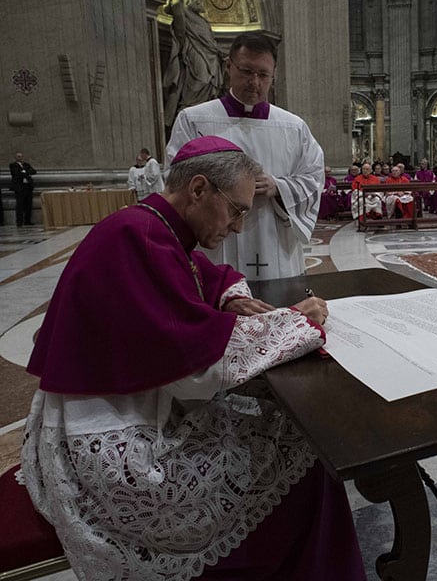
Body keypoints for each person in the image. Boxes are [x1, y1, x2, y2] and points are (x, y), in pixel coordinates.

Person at [21, 136, 365, 581]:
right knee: (302, 454)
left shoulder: (151, 226)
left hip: (123, 408)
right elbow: (195, 369)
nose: (239, 227)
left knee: (285, 434)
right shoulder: (140, 237)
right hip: (110, 441)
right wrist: (296, 321)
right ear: (199, 190)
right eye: (237, 210)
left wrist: (228, 296)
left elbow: (201, 275)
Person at [167, 32, 324, 281]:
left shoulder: (294, 127)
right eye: (246, 71)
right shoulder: (194, 119)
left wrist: (279, 187)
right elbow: (175, 182)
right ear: (228, 67)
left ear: (273, 75)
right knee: (222, 306)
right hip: (218, 247)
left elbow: (314, 179)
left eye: (263, 75)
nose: (255, 82)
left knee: (280, 312)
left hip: (274, 242)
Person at [162, 0, 225, 128]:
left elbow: (212, 43)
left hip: (211, 57)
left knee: (209, 85)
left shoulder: (204, 22)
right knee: (201, 79)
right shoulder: (185, 14)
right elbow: (176, 10)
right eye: (195, 0)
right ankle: (187, 108)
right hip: (194, 53)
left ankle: (202, 112)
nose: (198, 2)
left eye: (200, 0)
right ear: (189, 1)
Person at [9, 152, 36, 226]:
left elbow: (34, 171)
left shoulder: (26, 164)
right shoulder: (13, 165)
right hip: (19, 188)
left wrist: (24, 172)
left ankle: (27, 221)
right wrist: (26, 172)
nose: (20, 158)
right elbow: (16, 174)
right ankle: (19, 222)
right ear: (15, 157)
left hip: (28, 187)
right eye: (18, 156)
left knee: (28, 205)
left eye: (21, 156)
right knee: (20, 205)